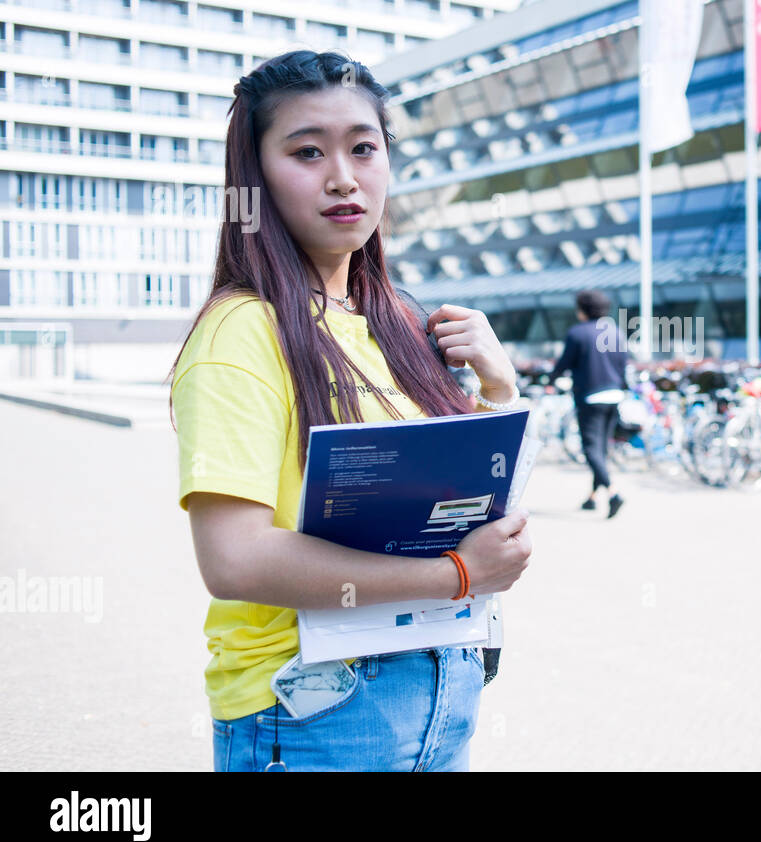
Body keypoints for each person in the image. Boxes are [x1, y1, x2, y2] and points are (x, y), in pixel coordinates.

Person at [166, 50, 531, 772]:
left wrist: (499, 390)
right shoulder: (242, 331)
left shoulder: (391, 321)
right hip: (315, 712)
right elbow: (234, 558)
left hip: (437, 689)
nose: (343, 175)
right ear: (257, 176)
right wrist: (458, 574)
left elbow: (472, 505)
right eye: (307, 151)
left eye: (364, 147)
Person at [550, 289, 630, 518]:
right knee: (601, 448)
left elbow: (564, 362)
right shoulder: (615, 332)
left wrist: (551, 380)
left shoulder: (578, 333)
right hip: (614, 395)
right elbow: (623, 364)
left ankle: (614, 493)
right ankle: (593, 498)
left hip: (590, 397)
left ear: (583, 310)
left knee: (591, 448)